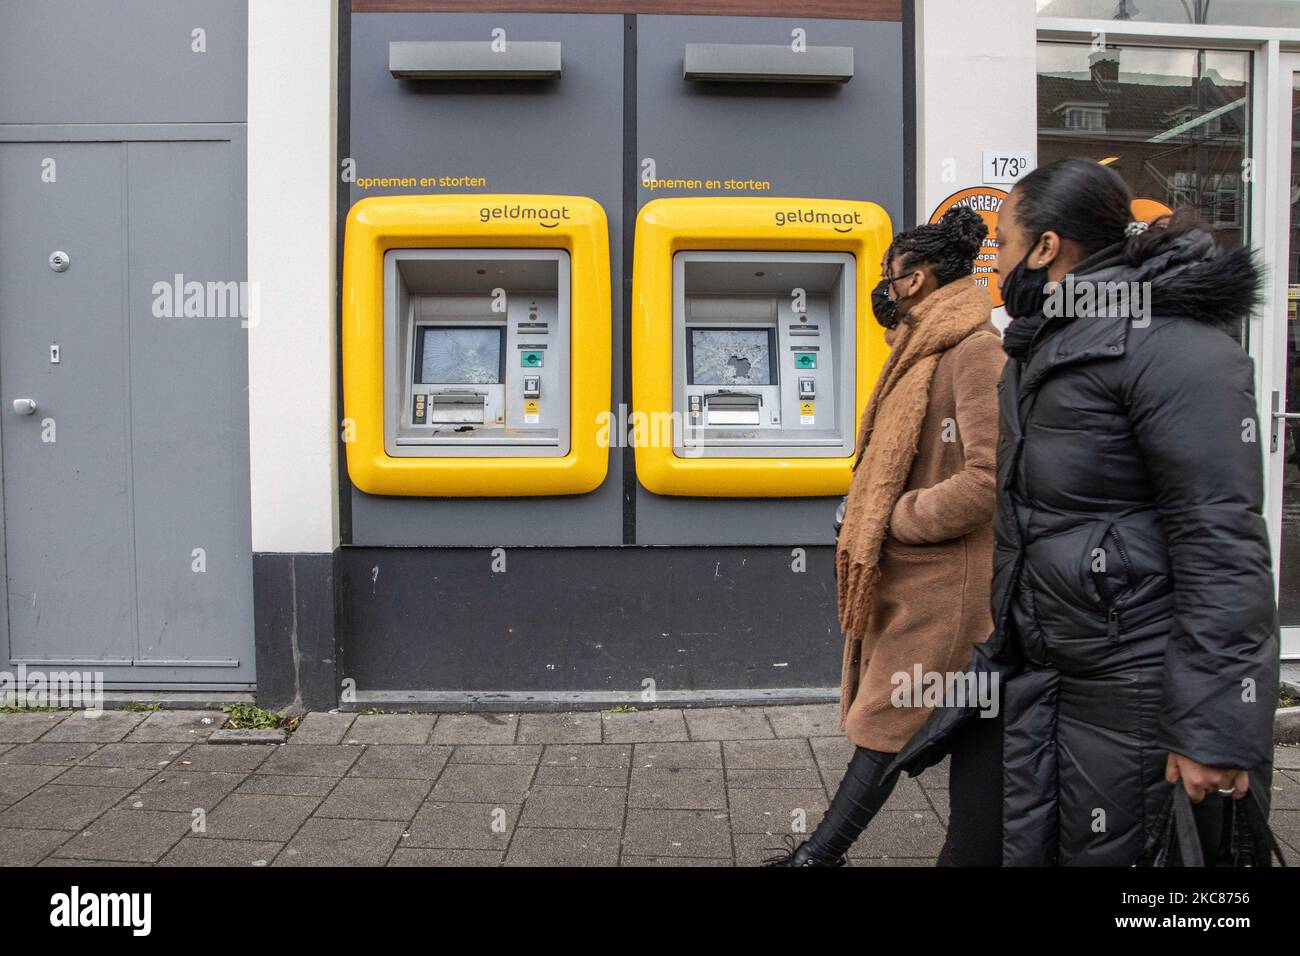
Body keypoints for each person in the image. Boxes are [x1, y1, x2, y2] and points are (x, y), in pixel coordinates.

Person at [893, 157, 1279, 866]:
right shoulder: (1051, 343)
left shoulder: (1173, 347)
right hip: (1038, 672)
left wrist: (1215, 732)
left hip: (1130, 697)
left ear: (1046, 248)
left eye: (1003, 244)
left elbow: (1221, 541)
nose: (996, 264)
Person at [762, 207, 1006, 866]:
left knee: (887, 724)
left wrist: (895, 517)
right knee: (970, 730)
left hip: (945, 586)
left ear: (919, 279)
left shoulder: (974, 350)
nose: (884, 286)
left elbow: (988, 482)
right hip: (912, 576)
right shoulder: (923, 343)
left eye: (890, 275)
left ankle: (820, 854)